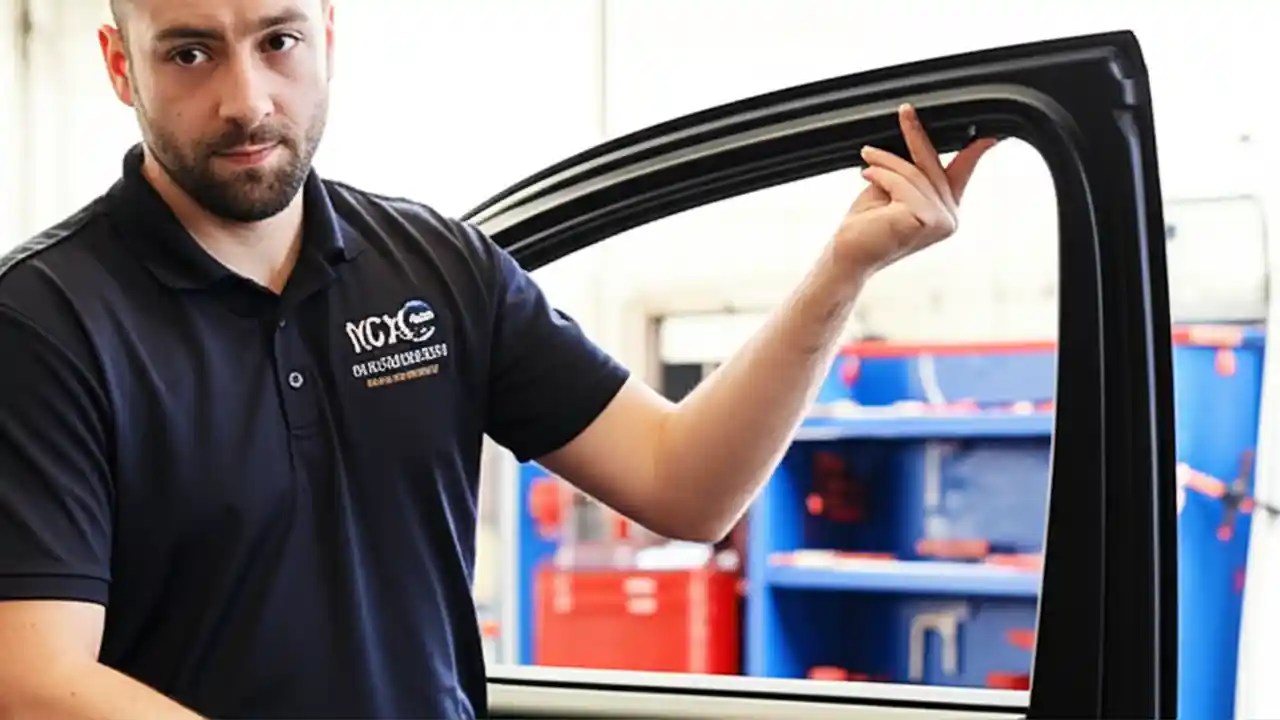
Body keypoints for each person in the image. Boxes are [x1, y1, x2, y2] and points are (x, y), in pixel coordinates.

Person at [0, 0, 995, 718]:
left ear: (329, 36)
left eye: (279, 40)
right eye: (188, 53)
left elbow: (684, 486)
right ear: (119, 64)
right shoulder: (45, 321)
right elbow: (34, 680)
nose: (246, 99)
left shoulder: (438, 269)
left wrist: (840, 272)